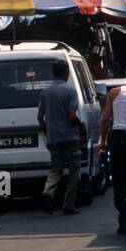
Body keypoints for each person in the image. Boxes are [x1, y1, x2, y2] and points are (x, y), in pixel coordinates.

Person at [37, 60, 84, 215]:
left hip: (54, 138)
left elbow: (40, 117)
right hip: (70, 137)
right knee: (73, 171)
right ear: (66, 73)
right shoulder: (70, 91)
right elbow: (72, 115)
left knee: (56, 170)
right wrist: (80, 124)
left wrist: (46, 131)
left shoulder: (46, 92)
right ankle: (68, 205)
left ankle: (47, 192)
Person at [99, 65, 126, 234]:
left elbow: (105, 120)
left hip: (118, 139)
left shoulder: (115, 93)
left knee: (119, 181)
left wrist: (103, 142)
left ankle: (124, 218)